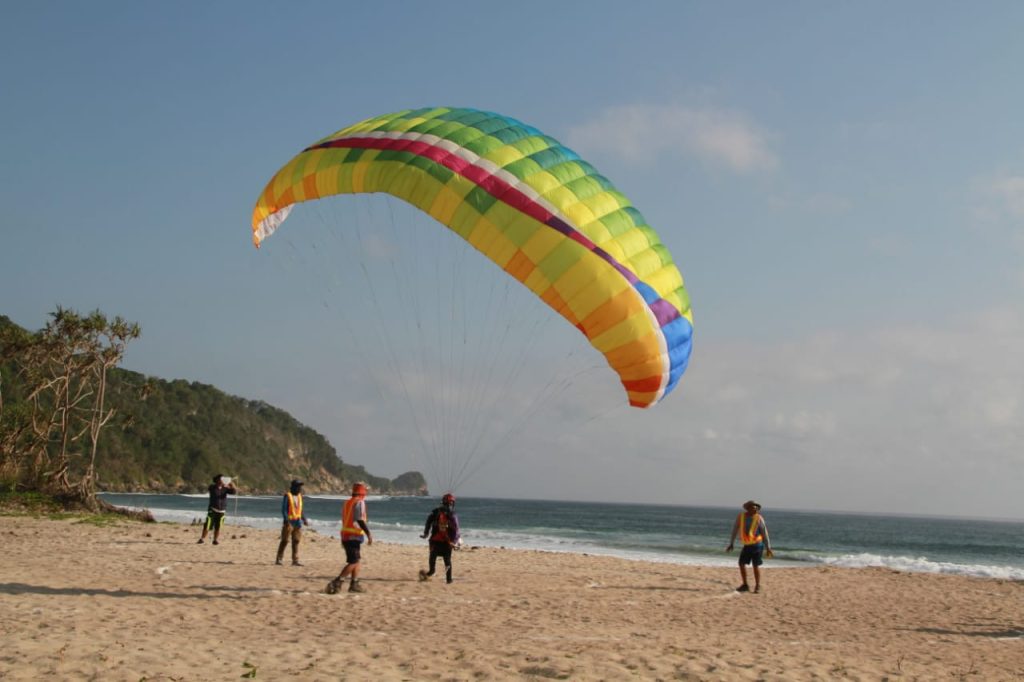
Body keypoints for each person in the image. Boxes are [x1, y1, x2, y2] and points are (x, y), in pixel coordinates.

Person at [326, 482, 373, 594]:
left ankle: (354, 583)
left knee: (356, 560)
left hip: (346, 534)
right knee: (353, 561)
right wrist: (368, 533)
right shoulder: (359, 502)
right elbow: (359, 519)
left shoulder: (348, 502)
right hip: (353, 536)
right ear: (362, 491)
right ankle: (337, 581)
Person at [726, 500, 773, 593]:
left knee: (755, 566)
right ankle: (745, 585)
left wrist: (768, 547)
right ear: (748, 508)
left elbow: (764, 532)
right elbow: (735, 529)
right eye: (753, 508)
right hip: (747, 545)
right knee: (741, 563)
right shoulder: (741, 517)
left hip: (757, 545)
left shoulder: (759, 518)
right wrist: (731, 543)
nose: (756, 510)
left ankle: (757, 586)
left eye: (756, 508)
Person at [418, 492, 460, 584]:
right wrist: (426, 533)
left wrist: (454, 541)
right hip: (439, 541)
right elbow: (456, 530)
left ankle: (445, 578)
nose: (449, 505)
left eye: (450, 503)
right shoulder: (439, 513)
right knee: (444, 560)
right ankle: (446, 579)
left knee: (443, 560)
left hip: (444, 542)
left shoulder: (449, 515)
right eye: (450, 503)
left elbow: (456, 530)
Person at [275, 479, 309, 566]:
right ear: (293, 487)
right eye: (298, 487)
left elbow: (300, 509)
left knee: (296, 541)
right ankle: (279, 559)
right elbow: (284, 509)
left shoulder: (300, 496)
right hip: (289, 521)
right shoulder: (287, 496)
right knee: (285, 540)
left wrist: (304, 519)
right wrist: (286, 520)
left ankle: (295, 560)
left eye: (300, 487)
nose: (300, 488)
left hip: (298, 522)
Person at [197, 474, 237, 545]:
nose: (222, 480)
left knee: (218, 527)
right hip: (212, 509)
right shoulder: (212, 487)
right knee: (208, 525)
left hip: (222, 511)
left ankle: (215, 540)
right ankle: (202, 539)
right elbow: (212, 490)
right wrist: (224, 485)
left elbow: (234, 491)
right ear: (217, 480)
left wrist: (231, 483)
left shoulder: (225, 488)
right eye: (221, 479)